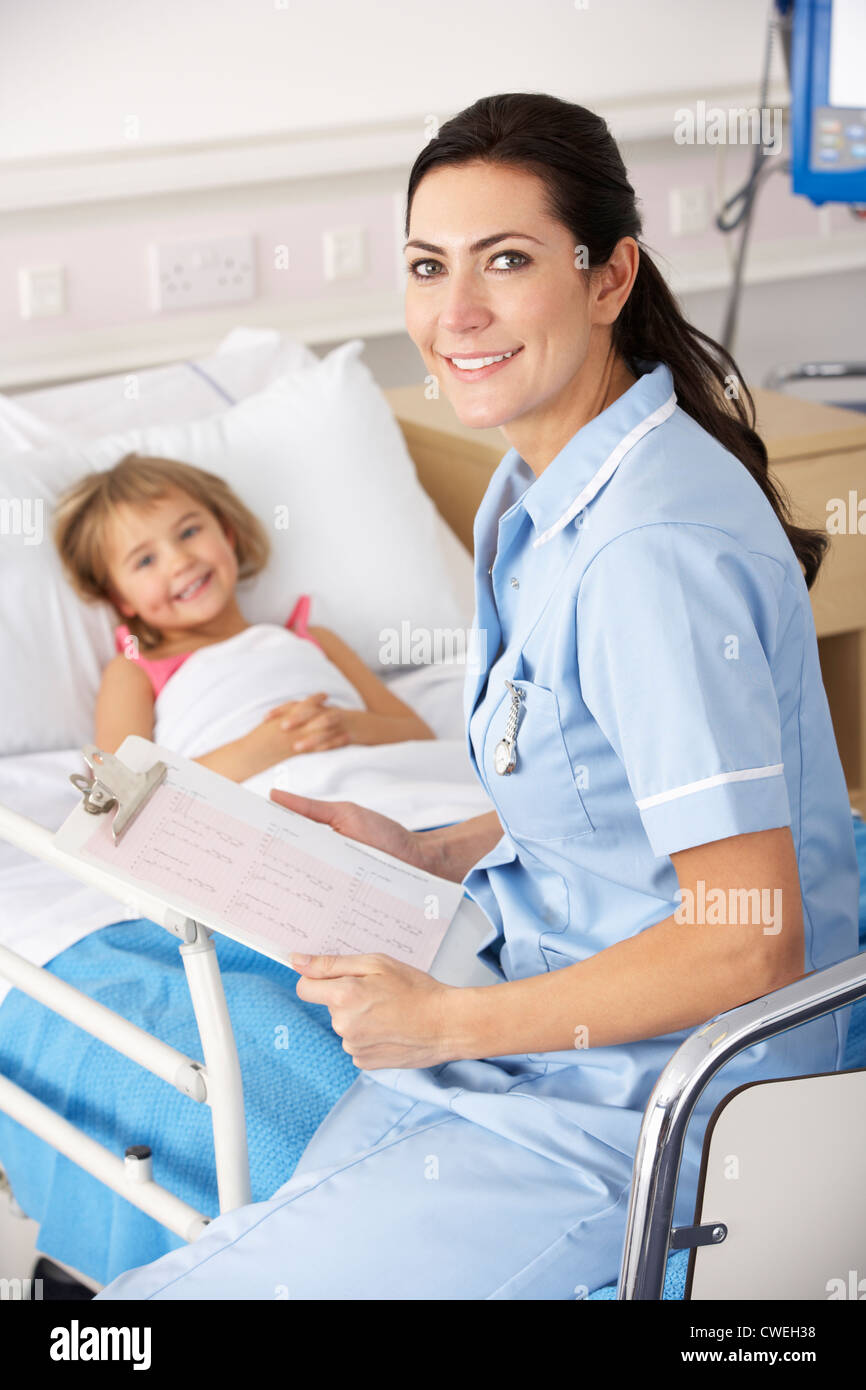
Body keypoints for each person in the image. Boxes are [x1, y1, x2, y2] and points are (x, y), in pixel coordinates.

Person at [95, 92, 858, 1301]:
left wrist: (444, 1026)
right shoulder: (531, 491)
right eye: (425, 266)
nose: (454, 314)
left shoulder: (647, 552)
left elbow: (747, 937)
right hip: (537, 1038)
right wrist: (435, 847)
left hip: (650, 1106)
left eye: (504, 261)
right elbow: (603, 777)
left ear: (610, 278)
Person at [52, 453, 434, 779]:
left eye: (188, 532)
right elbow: (122, 794)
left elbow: (418, 735)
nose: (180, 561)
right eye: (146, 560)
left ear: (227, 534)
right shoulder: (135, 669)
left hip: (375, 786)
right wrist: (264, 748)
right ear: (119, 598)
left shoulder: (314, 639)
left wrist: (349, 726)